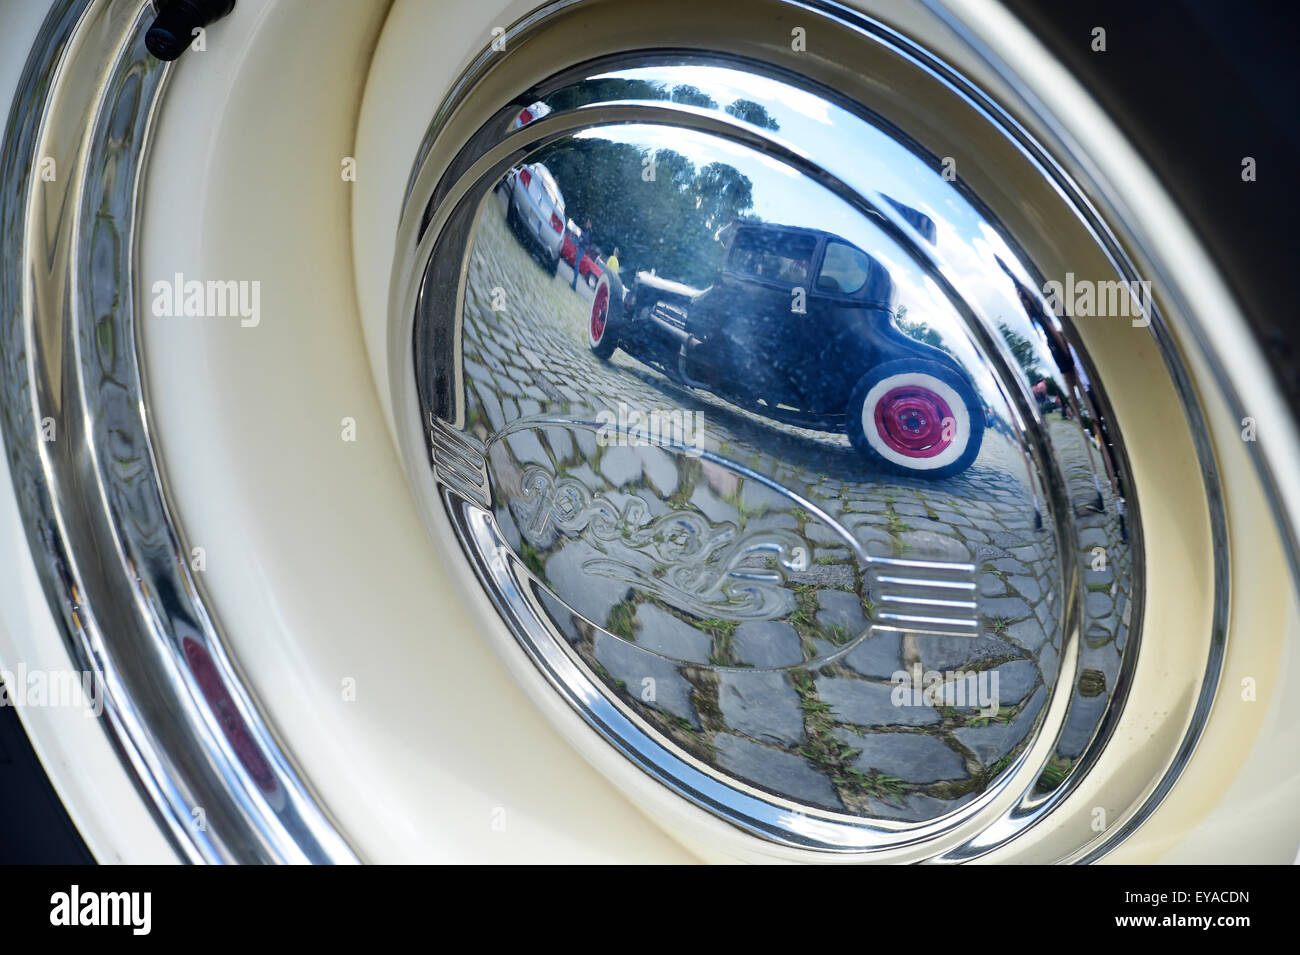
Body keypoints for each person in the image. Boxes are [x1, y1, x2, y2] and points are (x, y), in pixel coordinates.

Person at [571, 217, 593, 290]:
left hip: (581, 249)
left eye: (588, 222)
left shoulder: (589, 231)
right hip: (581, 249)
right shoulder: (588, 231)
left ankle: (574, 283)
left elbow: (585, 241)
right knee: (576, 264)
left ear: (590, 224)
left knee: (577, 265)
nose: (587, 223)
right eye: (587, 222)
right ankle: (574, 282)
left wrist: (580, 238)